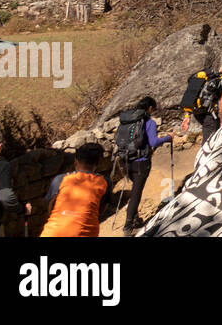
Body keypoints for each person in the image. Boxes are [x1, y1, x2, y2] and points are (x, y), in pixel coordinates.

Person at [119, 96, 174, 236]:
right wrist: (168, 137)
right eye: (153, 108)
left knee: (134, 189)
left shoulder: (127, 122)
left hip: (126, 161)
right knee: (136, 193)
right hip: (141, 162)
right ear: (150, 108)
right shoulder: (149, 122)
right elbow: (154, 142)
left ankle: (135, 219)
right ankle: (128, 227)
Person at [40, 143, 109, 238]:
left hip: (52, 232)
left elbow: (51, 207)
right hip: (86, 233)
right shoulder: (104, 182)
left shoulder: (61, 179)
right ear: (97, 164)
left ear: (75, 161)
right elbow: (100, 210)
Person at [191, 59, 222, 144]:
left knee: (210, 134)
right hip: (209, 113)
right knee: (209, 142)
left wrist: (187, 116)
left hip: (197, 110)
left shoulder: (212, 76)